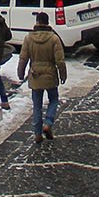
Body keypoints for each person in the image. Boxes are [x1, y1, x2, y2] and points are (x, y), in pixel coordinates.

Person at [17, 9, 66, 143]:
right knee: (54, 100)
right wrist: (63, 75)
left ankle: (37, 133)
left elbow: (23, 58)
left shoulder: (28, 38)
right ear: (47, 22)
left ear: (37, 22)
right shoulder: (54, 39)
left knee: (37, 105)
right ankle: (48, 123)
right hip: (50, 74)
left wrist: (20, 73)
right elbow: (60, 60)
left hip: (35, 75)